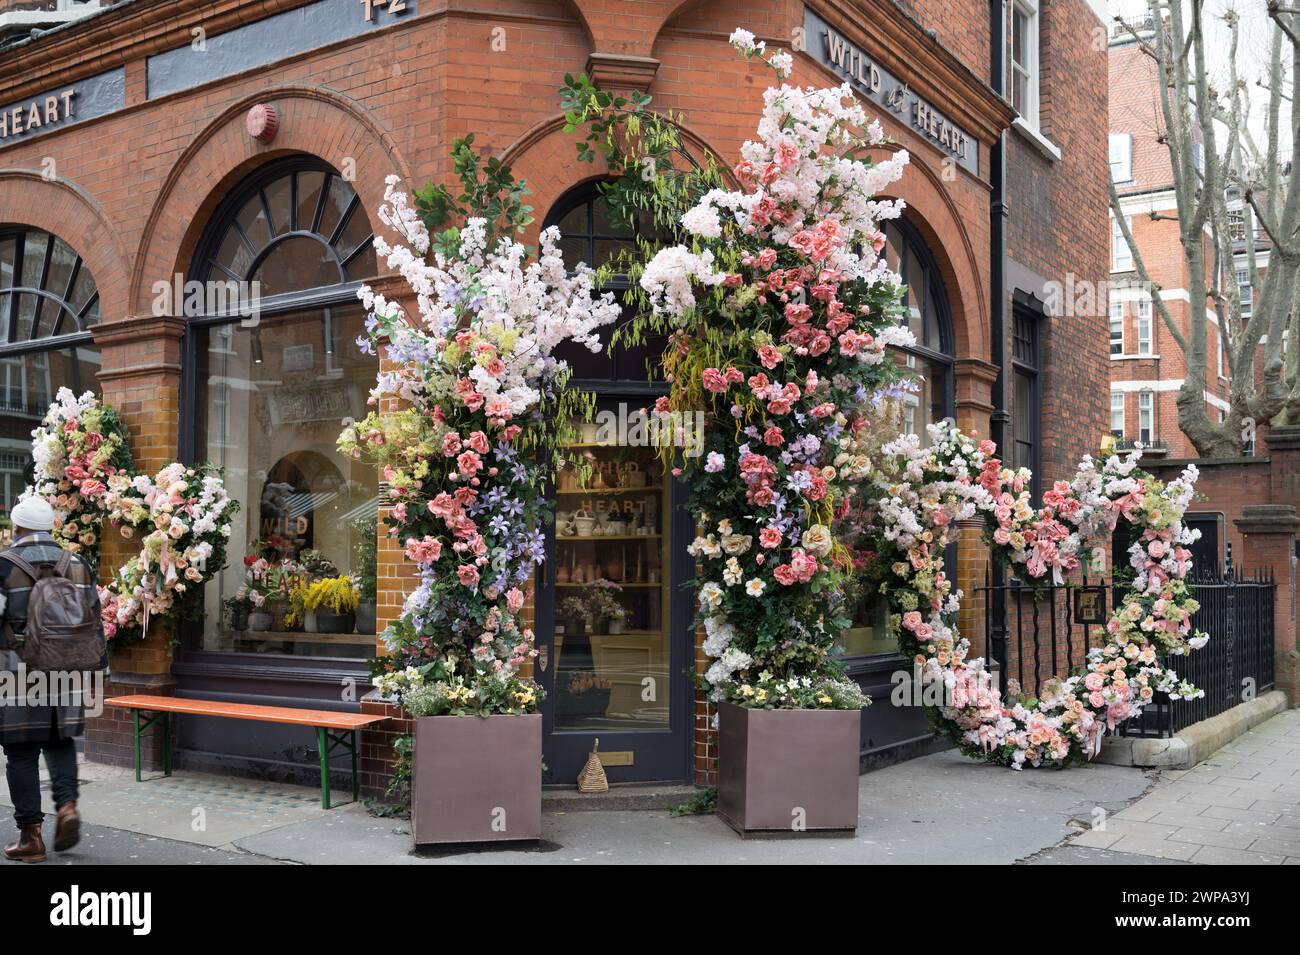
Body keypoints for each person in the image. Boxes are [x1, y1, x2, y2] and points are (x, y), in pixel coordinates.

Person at [0, 496, 105, 863]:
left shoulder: (4, 566)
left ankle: (31, 837)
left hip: (18, 671)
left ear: (17, 527)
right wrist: (98, 669)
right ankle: (68, 808)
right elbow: (95, 620)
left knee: (21, 750)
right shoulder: (77, 563)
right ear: (50, 528)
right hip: (70, 669)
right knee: (60, 742)